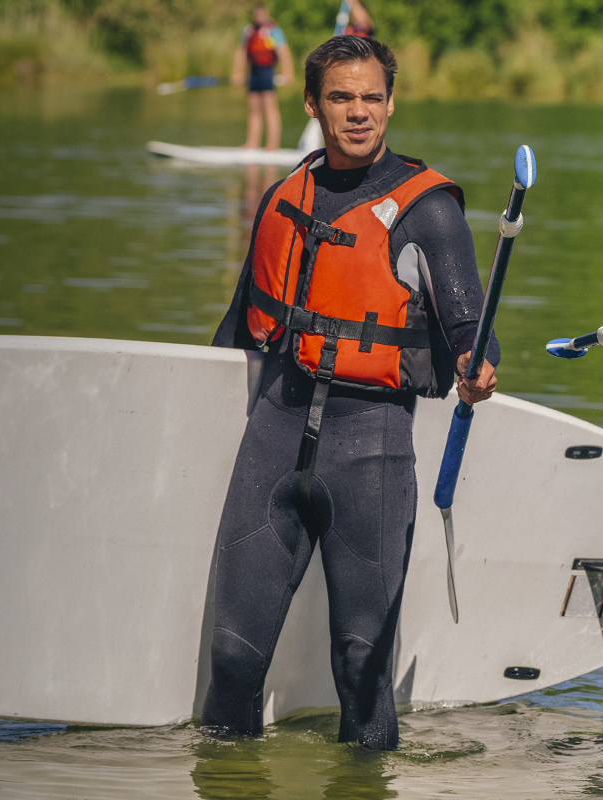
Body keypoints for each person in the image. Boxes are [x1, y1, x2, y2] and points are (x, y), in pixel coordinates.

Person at [206, 34, 498, 751]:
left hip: (369, 448)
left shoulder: (427, 209)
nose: (359, 113)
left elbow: (470, 323)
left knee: (361, 667)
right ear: (313, 104)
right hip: (272, 433)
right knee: (233, 661)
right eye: (341, 98)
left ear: (391, 103)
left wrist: (477, 362)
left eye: (372, 98)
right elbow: (237, 331)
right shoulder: (287, 194)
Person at [231, 4, 295, 151]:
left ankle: (273, 145)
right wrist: (237, 73)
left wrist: (287, 73)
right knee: (254, 108)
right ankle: (252, 143)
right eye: (256, 14)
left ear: (266, 14)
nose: (259, 17)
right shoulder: (248, 31)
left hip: (267, 71)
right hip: (253, 71)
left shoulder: (273, 30)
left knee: (269, 107)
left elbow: (283, 52)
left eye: (261, 14)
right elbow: (241, 53)